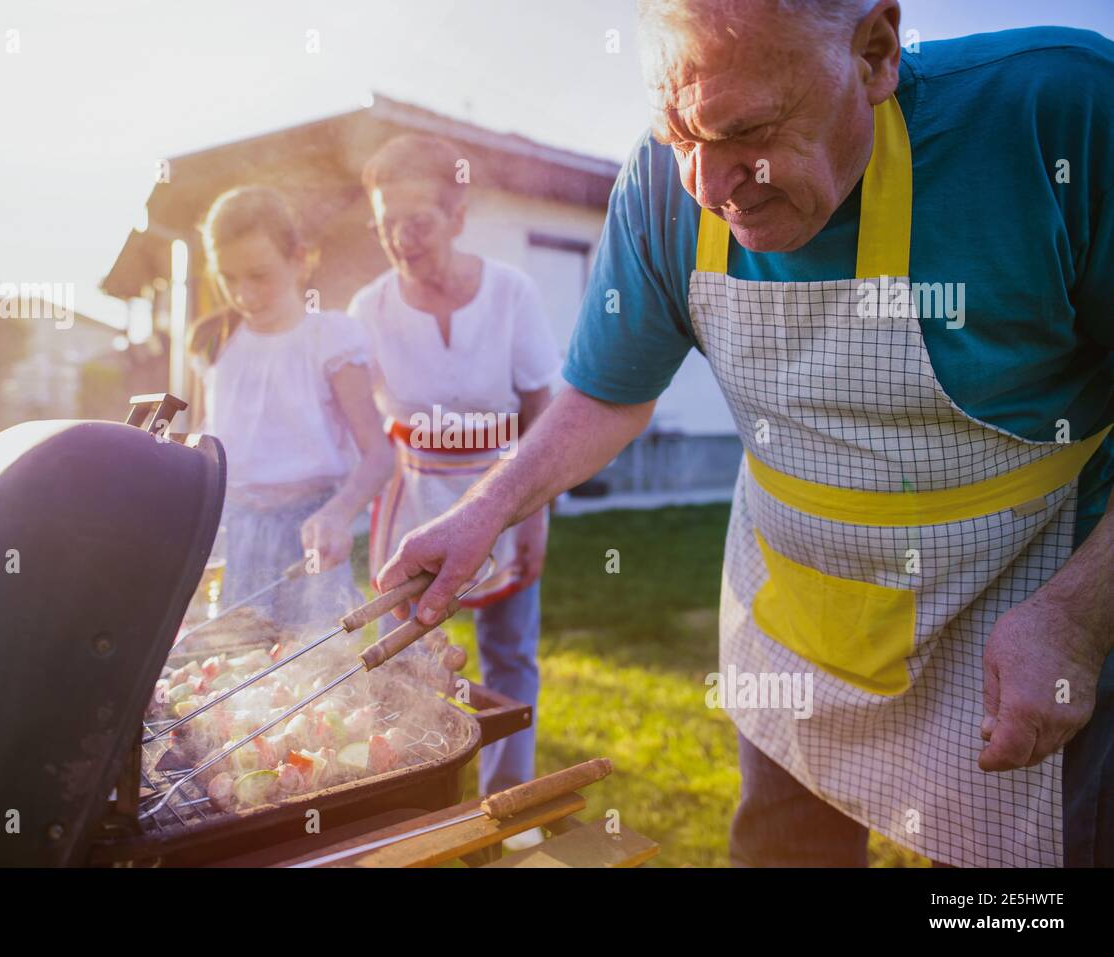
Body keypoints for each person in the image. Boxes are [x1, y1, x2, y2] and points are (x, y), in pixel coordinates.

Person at [373, 1, 1114, 868]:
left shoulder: (1061, 116)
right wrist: (485, 508)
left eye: (748, 132)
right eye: (678, 134)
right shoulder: (662, 186)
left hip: (1023, 604)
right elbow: (607, 394)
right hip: (793, 617)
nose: (709, 184)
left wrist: (1077, 616)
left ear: (875, 53)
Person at [348, 134, 562, 814]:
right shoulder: (368, 308)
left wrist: (534, 515)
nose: (400, 240)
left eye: (417, 221)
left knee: (510, 656)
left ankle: (509, 806)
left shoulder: (511, 293)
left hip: (503, 491)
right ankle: (401, 808)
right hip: (412, 498)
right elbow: (354, 425)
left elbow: (542, 409)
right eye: (386, 224)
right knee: (400, 659)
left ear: (458, 216)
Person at [188, 186, 393, 629]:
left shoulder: (331, 338)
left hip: (311, 533)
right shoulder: (213, 342)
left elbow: (379, 456)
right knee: (234, 662)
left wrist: (338, 513)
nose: (243, 294)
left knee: (314, 660)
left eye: (259, 275)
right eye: (228, 278)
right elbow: (203, 443)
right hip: (230, 535)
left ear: (299, 259)